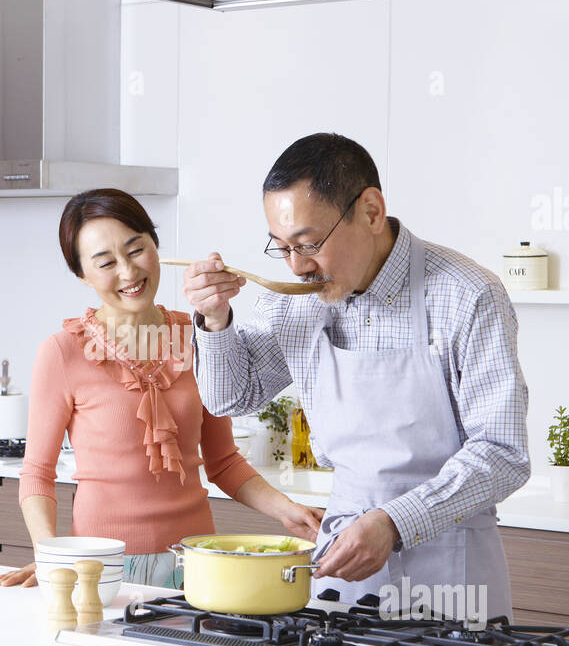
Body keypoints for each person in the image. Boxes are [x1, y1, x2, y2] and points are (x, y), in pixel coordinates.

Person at [184, 133, 529, 621]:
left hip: (451, 572)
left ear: (370, 210)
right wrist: (215, 320)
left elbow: (502, 452)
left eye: (308, 244)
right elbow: (232, 397)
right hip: (343, 563)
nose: (298, 267)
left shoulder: (467, 294)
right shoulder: (294, 298)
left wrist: (394, 523)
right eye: (281, 248)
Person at [0, 188, 324, 589]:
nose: (129, 273)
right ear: (82, 275)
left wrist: (288, 510)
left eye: (136, 250)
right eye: (105, 262)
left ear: (155, 245)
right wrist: (50, 557)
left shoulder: (201, 335)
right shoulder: (62, 352)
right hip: (100, 568)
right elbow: (37, 474)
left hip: (196, 562)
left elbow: (223, 462)